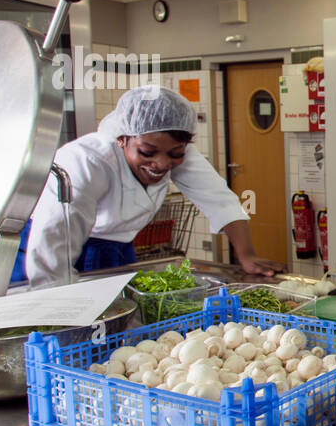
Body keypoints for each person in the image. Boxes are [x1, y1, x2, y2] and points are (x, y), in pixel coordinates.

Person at [16, 85, 282, 287]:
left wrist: (246, 254)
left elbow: (219, 199)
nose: (161, 164)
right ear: (122, 139)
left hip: (118, 248)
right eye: (146, 152)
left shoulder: (178, 154)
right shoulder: (87, 161)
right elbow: (53, 238)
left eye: (175, 153)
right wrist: (57, 306)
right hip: (55, 246)